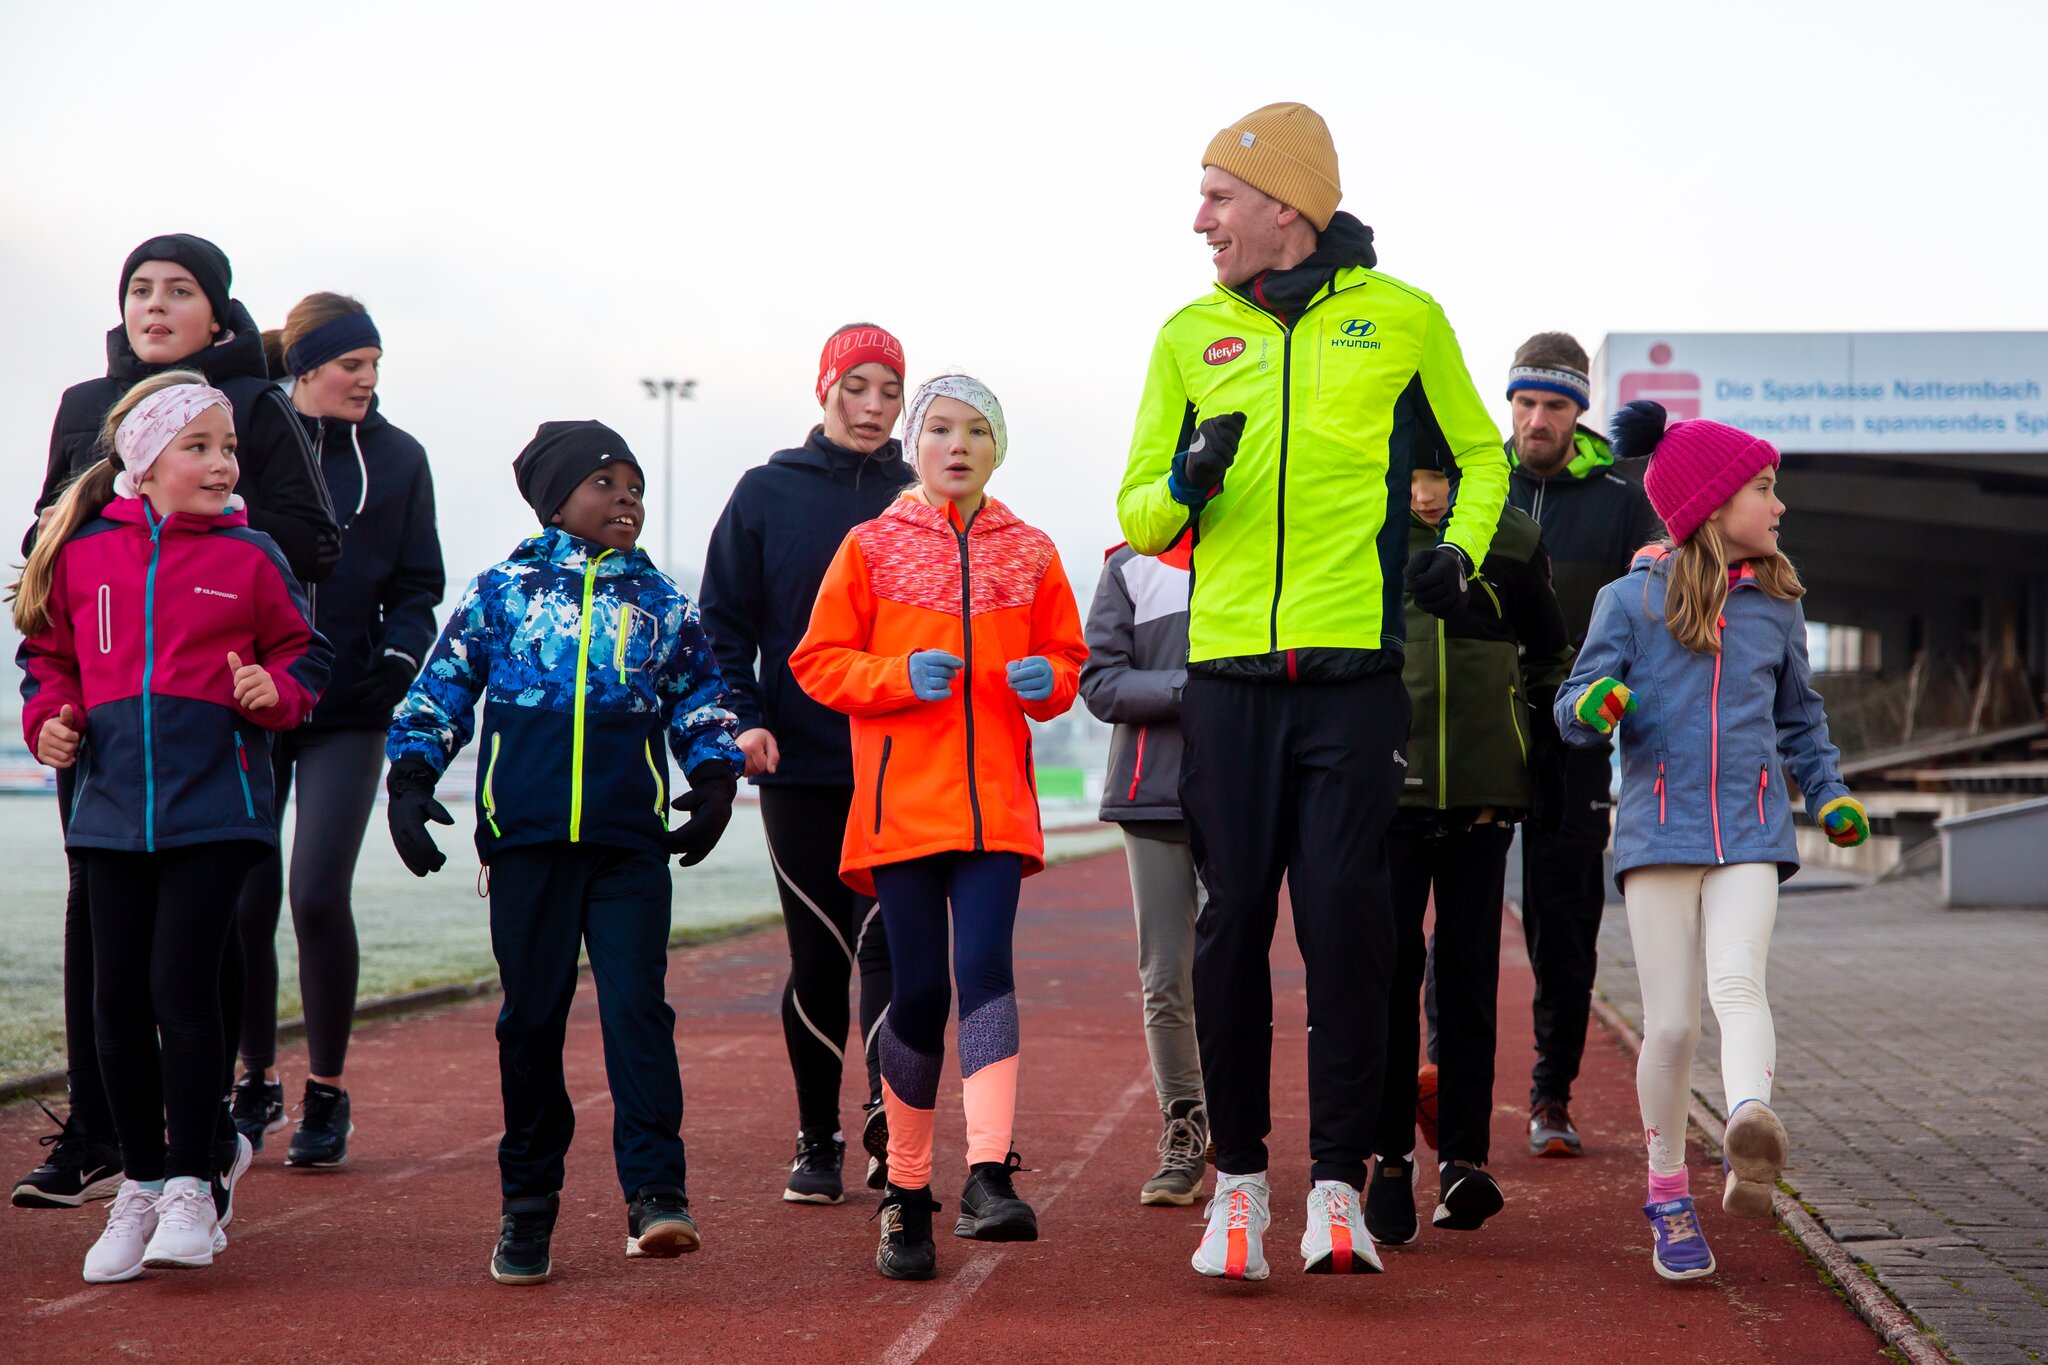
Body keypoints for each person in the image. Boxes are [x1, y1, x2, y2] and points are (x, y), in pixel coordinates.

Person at [1117, 102, 1509, 1283]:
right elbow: (1137, 511)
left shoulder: (1402, 320)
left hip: (1351, 681)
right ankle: (1236, 1188)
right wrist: (1183, 480)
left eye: (1218, 198)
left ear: (1285, 204)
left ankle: (1335, 1188)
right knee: (1231, 931)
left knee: (1346, 923)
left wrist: (1460, 554)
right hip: (1227, 682)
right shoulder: (1190, 333)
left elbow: (1480, 456)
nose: (1201, 220)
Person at [15, 234, 337, 1213]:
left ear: (218, 312)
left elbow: (313, 541)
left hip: (219, 709)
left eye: (179, 289)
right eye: (139, 289)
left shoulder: (256, 405)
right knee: (98, 920)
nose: (154, 304)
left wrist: (195, 536)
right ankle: (102, 1128)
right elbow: (45, 540)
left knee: (221, 913)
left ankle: (219, 1122)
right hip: (105, 714)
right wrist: (98, 534)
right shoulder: (83, 407)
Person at [384, 420, 742, 1286]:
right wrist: (410, 777)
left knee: (637, 1013)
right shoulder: (500, 592)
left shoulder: (660, 601)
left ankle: (657, 1192)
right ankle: (528, 1208)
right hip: (528, 846)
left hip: (628, 848)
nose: (628, 499)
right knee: (530, 1024)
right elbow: (442, 688)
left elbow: (701, 698)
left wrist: (717, 779)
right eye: (606, 483)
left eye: (636, 487)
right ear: (556, 497)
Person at [1555, 401, 1869, 1281]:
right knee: (1674, 1022)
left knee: (1739, 982)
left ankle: (1749, 1127)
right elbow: (1570, 707)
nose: (1779, 506)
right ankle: (1666, 1193)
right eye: (1765, 489)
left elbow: (1802, 722)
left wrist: (1832, 792)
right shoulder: (1629, 601)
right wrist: (1594, 705)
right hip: (1658, 832)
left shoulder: (1776, 607)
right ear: (1711, 503)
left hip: (1754, 828)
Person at [790, 374, 1087, 1283]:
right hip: (901, 813)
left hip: (996, 807)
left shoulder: (1031, 551)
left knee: (986, 975)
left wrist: (1050, 680)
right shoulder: (870, 546)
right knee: (917, 992)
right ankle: (907, 1194)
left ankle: (990, 1175)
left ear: (998, 450)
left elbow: (1066, 658)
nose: (959, 445)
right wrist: (898, 676)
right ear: (915, 446)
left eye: (978, 432)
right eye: (942, 430)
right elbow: (818, 661)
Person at [230, 294, 444, 1169]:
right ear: (306, 366)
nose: (367, 379)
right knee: (246, 899)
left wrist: (395, 661)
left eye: (375, 365)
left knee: (316, 893)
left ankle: (326, 1092)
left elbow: (420, 584)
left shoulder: (399, 459)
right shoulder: (245, 440)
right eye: (352, 364)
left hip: (345, 708)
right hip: (248, 701)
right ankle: (252, 1080)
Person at [700, 323, 913, 1204]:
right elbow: (723, 625)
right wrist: (743, 722)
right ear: (823, 387)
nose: (872, 407)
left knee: (895, 952)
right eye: (854, 387)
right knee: (819, 956)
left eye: (889, 391)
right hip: (801, 766)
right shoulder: (764, 493)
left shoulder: (921, 493)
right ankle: (817, 1133)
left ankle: (888, 1122)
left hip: (903, 761)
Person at [1364, 444, 1571, 1248]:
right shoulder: (1367, 534)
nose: (1425, 495)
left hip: (1487, 790)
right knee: (1387, 978)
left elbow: (1550, 650)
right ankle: (1388, 1158)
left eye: (1440, 479)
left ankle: (1463, 1160)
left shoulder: (1511, 536)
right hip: (1388, 794)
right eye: (1413, 477)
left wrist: (1549, 743)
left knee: (1470, 979)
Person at [1501, 332, 1663, 1159]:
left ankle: (1551, 1093)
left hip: (1576, 737)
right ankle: (1439, 1072)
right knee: (1451, 912)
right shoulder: (1474, 485)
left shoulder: (1620, 497)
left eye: (1553, 405)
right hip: (1484, 732)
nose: (1536, 419)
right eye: (1524, 402)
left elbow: (1655, 593)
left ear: (1578, 412)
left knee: (1564, 920)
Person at [1078, 533, 1209, 1206]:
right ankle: (1184, 1126)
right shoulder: (1128, 565)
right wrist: (1193, 685)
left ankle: (1244, 1140)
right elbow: (1098, 681)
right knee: (1165, 976)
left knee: (1233, 969)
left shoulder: (1268, 547)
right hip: (1151, 796)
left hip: (1248, 795)